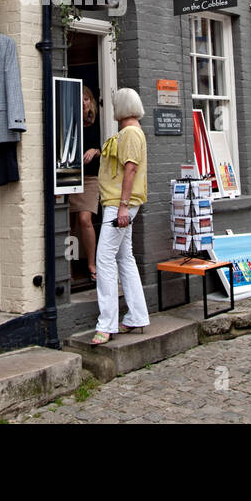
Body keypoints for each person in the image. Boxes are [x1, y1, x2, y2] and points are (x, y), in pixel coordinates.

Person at [90, 88, 150, 345]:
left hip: (118, 205)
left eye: (115, 104)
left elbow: (131, 169)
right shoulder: (129, 133)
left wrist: (123, 206)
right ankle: (136, 315)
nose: (112, 108)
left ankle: (106, 325)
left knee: (104, 258)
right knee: (125, 257)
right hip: (119, 204)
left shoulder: (131, 133)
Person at [69, 85, 101, 280]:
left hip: (90, 178)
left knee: (84, 220)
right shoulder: (70, 122)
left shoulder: (99, 122)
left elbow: (107, 147)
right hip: (71, 176)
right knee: (68, 225)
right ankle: (69, 267)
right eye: (79, 99)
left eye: (86, 99)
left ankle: (91, 263)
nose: (83, 102)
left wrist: (95, 151)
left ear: (92, 102)